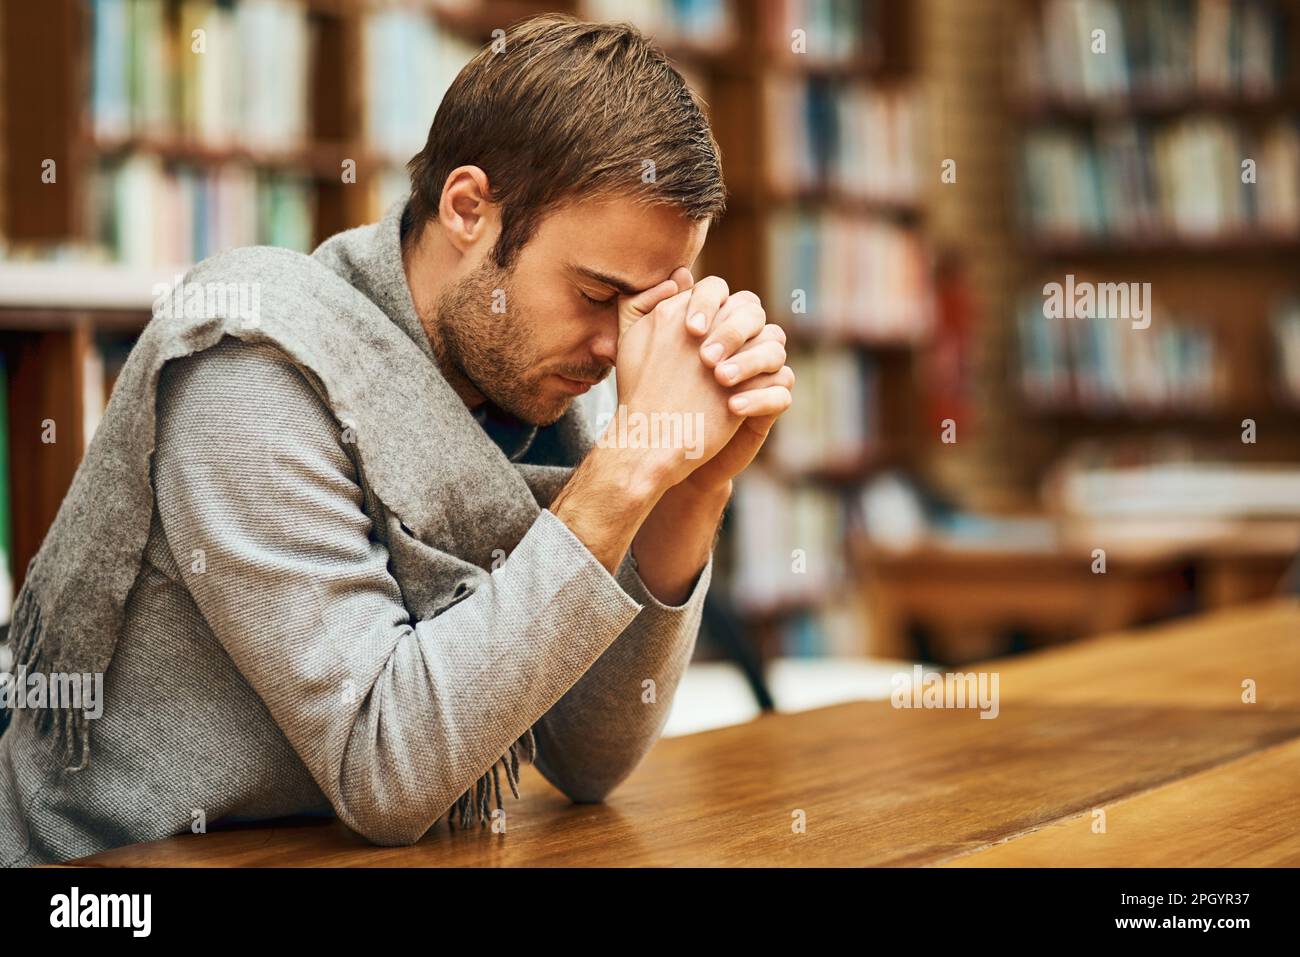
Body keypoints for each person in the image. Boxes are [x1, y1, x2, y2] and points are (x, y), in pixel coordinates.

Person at [0, 14, 793, 865]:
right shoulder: (251, 371)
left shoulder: (535, 395)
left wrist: (693, 484)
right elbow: (386, 768)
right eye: (598, 293)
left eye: (645, 308)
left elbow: (588, 758)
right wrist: (629, 466)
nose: (616, 347)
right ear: (467, 209)